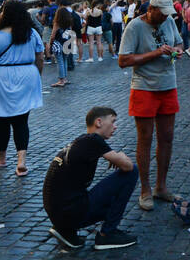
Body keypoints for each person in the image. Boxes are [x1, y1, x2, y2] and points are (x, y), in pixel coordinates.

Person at [117, 0, 183, 211]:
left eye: (168, 14)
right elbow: (123, 60)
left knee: (167, 137)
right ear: (151, 9)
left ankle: (161, 187)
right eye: (162, 14)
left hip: (168, 84)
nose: (165, 18)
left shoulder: (170, 21)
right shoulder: (134, 27)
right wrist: (155, 53)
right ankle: (145, 190)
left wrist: (176, 51)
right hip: (144, 86)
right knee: (145, 139)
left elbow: (180, 43)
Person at [43, 106, 139, 250]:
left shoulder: (82, 142)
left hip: (60, 215)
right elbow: (128, 167)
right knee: (133, 171)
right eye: (112, 122)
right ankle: (108, 234)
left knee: (110, 201)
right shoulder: (93, 140)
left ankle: (66, 231)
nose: (115, 126)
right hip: (70, 212)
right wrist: (120, 156)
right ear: (99, 122)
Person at [0, 0, 47, 178]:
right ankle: (21, 161)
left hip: (1, 77)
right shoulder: (31, 34)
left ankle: (2, 158)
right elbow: (40, 57)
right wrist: (36, 75)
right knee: (22, 121)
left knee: (2, 121)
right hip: (27, 74)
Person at [48, 7, 76, 88]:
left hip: (59, 43)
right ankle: (65, 78)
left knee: (59, 61)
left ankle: (61, 80)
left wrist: (50, 43)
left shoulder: (57, 23)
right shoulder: (69, 22)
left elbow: (53, 35)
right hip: (67, 43)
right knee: (64, 60)